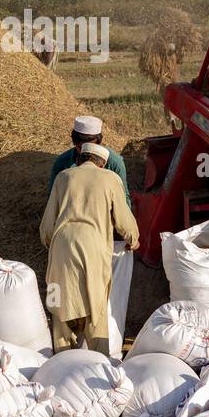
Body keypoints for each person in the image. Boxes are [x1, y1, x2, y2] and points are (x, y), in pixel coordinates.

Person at [39, 142, 139, 354]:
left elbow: (47, 226)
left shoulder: (63, 177)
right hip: (93, 248)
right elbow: (123, 220)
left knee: (58, 306)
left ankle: (62, 360)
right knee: (96, 308)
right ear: (102, 163)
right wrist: (133, 239)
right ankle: (97, 361)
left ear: (80, 158)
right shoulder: (111, 179)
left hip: (60, 247)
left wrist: (51, 243)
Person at [47, 115, 129, 198]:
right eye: (80, 148)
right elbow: (53, 196)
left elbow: (123, 197)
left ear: (99, 143)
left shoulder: (114, 162)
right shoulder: (63, 162)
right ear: (74, 143)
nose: (85, 153)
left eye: (90, 148)